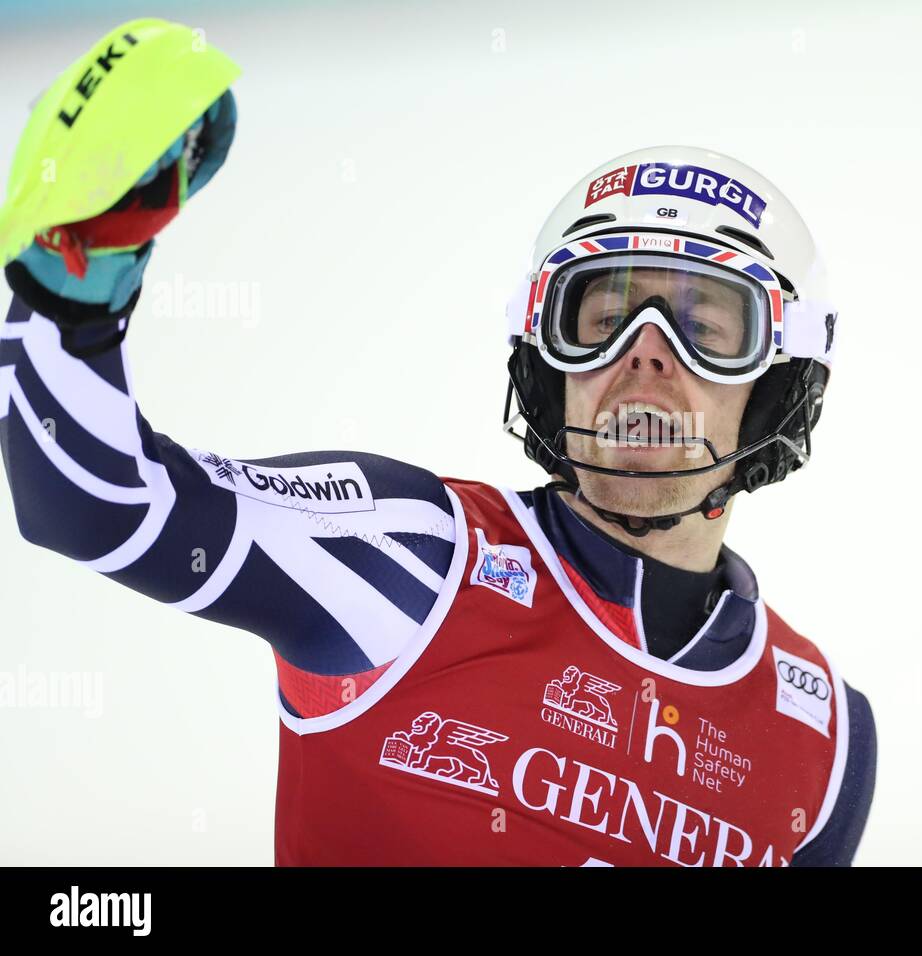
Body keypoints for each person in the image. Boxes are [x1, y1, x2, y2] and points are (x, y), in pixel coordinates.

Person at [0, 20, 876, 866]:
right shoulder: (408, 558)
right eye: (602, 319)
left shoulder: (830, 745)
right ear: (545, 363)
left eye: (707, 330)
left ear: (784, 382)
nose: (645, 361)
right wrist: (66, 290)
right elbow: (99, 507)